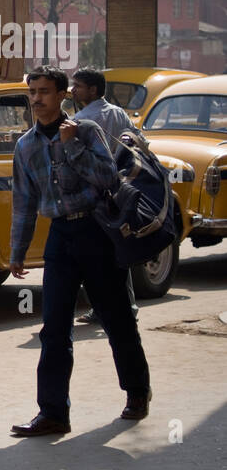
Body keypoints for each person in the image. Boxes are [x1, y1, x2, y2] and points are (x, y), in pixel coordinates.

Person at [8, 66, 152, 438]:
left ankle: (136, 392)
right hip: (60, 237)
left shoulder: (87, 132)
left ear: (61, 96)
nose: (37, 98)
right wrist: (18, 251)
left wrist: (71, 146)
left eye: (44, 91)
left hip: (96, 231)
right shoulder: (25, 145)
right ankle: (53, 412)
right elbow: (24, 202)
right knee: (54, 327)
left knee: (117, 317)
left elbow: (108, 179)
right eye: (33, 92)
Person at [69, 69, 139, 324]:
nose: (73, 90)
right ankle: (126, 305)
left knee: (92, 252)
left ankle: (102, 306)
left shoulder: (81, 120)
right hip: (119, 189)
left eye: (78, 86)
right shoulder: (118, 113)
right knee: (117, 248)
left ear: (94, 90)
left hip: (93, 192)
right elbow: (136, 140)